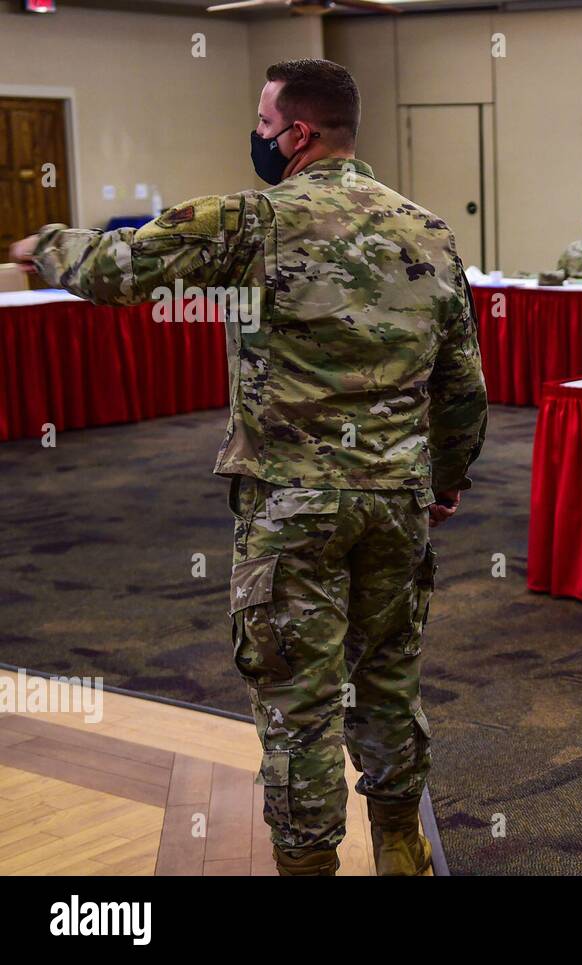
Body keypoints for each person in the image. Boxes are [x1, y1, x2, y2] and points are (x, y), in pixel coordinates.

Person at [9, 59, 488, 877]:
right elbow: (464, 387)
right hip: (395, 504)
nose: (258, 139)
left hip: (291, 510)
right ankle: (402, 849)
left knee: (300, 702)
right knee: (388, 681)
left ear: (297, 133)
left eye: (264, 124)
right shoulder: (430, 231)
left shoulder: (252, 219)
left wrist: (40, 243)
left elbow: (121, 270)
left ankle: (309, 867)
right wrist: (441, 478)